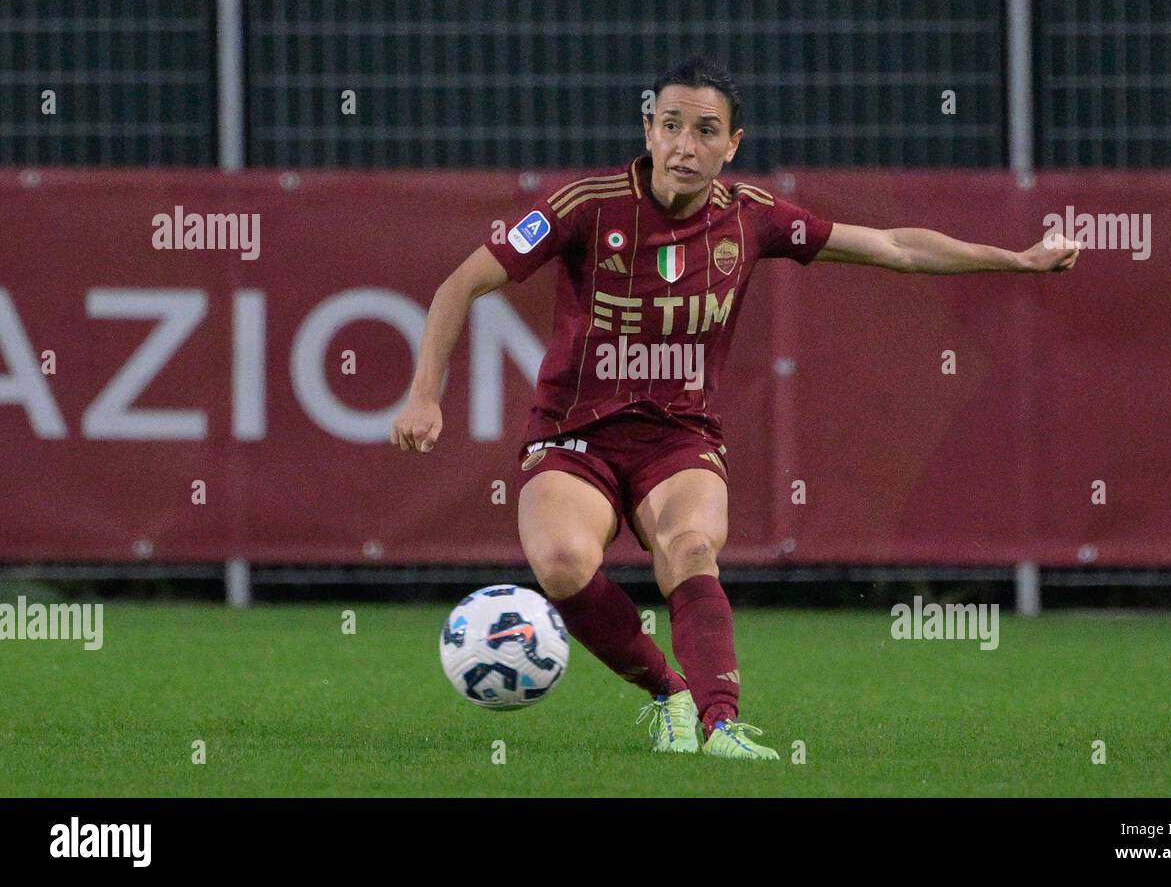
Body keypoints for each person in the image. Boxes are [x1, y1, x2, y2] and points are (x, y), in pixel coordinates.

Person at [392, 56, 1078, 760]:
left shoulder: (752, 216)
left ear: (733, 144)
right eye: (670, 126)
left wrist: (1018, 260)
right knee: (564, 562)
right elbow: (459, 283)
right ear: (648, 129)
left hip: (678, 437)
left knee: (691, 548)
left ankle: (721, 724)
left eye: (705, 130)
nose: (685, 145)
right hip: (574, 435)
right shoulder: (585, 206)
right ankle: (669, 693)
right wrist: (424, 393)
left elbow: (896, 247)